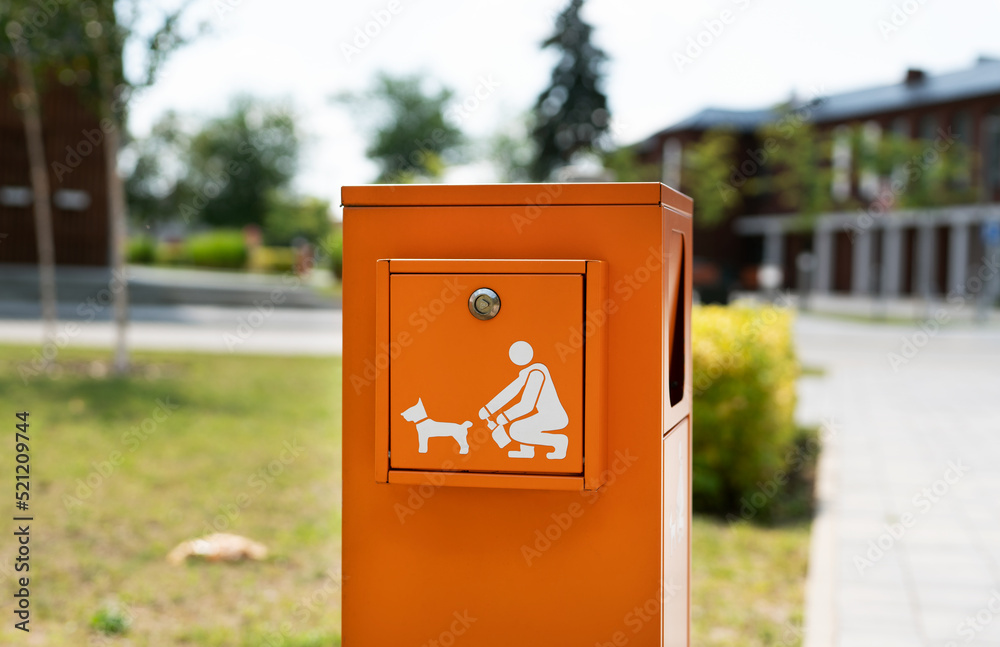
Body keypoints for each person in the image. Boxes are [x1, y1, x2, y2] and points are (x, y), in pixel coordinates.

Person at [479, 341, 569, 459]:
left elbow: (527, 405)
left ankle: (558, 442)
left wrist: (504, 417)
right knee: (522, 423)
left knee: (516, 429)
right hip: (544, 415)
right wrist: (488, 409)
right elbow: (510, 391)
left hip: (554, 416)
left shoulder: (537, 373)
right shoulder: (528, 372)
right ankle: (527, 450)